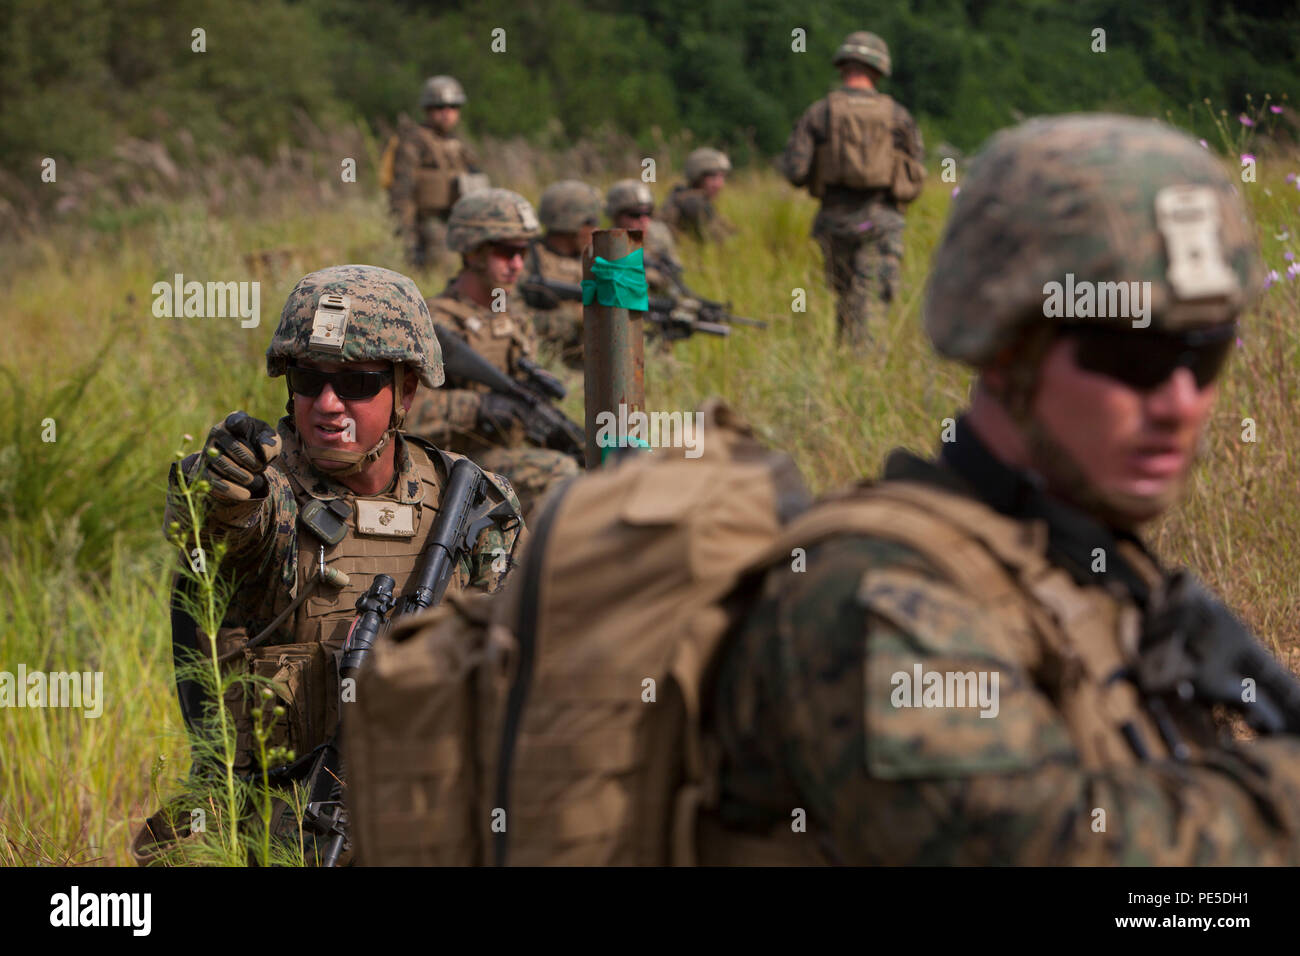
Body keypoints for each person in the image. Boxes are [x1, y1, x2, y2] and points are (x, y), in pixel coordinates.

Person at [709, 113, 1300, 864]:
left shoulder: (1080, 565)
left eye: (1206, 355)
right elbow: (1040, 849)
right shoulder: (875, 596)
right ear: (1004, 349)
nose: (1181, 401)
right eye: (1131, 354)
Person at [166, 264, 522, 784]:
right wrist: (223, 481)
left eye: (357, 383)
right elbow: (218, 524)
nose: (328, 406)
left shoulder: (471, 501)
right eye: (309, 380)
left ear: (406, 390)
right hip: (281, 821)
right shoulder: (273, 490)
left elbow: (536, 649)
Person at [406, 189, 581, 520]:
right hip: (451, 463)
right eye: (505, 252)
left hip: (505, 454)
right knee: (559, 472)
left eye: (522, 252)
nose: (517, 264)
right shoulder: (434, 323)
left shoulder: (514, 319)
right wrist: (479, 408)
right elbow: (402, 413)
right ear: (472, 252)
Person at [780, 31, 925, 349]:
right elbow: (916, 176)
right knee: (871, 306)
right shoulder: (898, 116)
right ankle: (862, 378)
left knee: (845, 303)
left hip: (834, 222)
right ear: (878, 68)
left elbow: (795, 171)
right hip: (880, 221)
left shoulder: (819, 113)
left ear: (843, 65)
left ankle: (844, 367)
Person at [388, 75, 485, 269]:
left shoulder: (458, 144)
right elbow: (402, 189)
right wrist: (407, 231)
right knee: (439, 269)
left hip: (458, 219)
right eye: (440, 107)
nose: (447, 113)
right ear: (428, 110)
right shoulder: (414, 140)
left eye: (453, 107)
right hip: (428, 223)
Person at [526, 179, 602, 365]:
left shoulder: (595, 256)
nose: (596, 229)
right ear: (570, 223)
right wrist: (573, 317)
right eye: (590, 222)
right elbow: (512, 319)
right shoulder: (527, 260)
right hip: (551, 363)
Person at [604, 178, 683, 294]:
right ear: (617, 216)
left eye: (648, 213)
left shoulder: (658, 235)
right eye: (635, 214)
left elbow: (675, 272)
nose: (644, 220)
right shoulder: (606, 244)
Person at [659, 147, 735, 243]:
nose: (719, 184)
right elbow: (721, 239)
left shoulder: (682, 196)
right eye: (713, 177)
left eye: (722, 177)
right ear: (698, 177)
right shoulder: (694, 203)